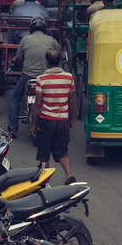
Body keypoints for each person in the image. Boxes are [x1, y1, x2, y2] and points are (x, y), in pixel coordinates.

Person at [30, 47, 76, 184]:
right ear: (60, 61)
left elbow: (38, 104)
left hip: (46, 120)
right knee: (62, 150)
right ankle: (68, 175)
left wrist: (33, 123)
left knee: (44, 152)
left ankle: (45, 181)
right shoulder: (69, 77)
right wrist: (70, 119)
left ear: (47, 62)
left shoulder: (41, 79)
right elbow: (71, 101)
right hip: (63, 120)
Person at [8, 17, 59, 138]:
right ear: (44, 28)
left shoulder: (25, 40)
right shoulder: (52, 41)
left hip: (28, 76)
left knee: (15, 98)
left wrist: (15, 62)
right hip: (46, 77)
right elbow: (59, 55)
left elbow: (19, 58)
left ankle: (12, 127)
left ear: (31, 28)